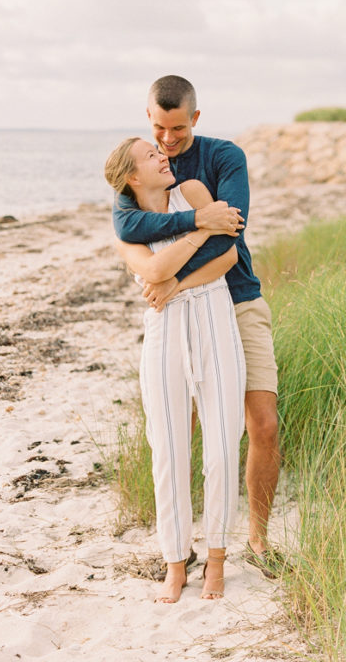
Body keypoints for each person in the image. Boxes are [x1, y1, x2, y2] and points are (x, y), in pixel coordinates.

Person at [113, 75, 284, 579]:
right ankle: (182, 544)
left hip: (238, 301)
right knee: (178, 430)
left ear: (196, 119)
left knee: (262, 424)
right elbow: (128, 230)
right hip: (178, 317)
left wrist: (173, 279)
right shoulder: (140, 163)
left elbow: (230, 231)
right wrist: (175, 249)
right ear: (149, 117)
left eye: (178, 129)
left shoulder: (222, 157)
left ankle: (256, 536)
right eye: (159, 128)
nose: (167, 141)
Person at [104, 137, 246, 603]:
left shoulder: (193, 192)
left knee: (223, 444)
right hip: (164, 330)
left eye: (159, 151)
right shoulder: (127, 228)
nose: (162, 155)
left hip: (213, 315)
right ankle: (175, 561)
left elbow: (227, 257)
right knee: (168, 449)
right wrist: (202, 230)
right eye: (150, 156)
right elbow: (153, 272)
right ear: (132, 177)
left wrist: (186, 263)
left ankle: (218, 558)